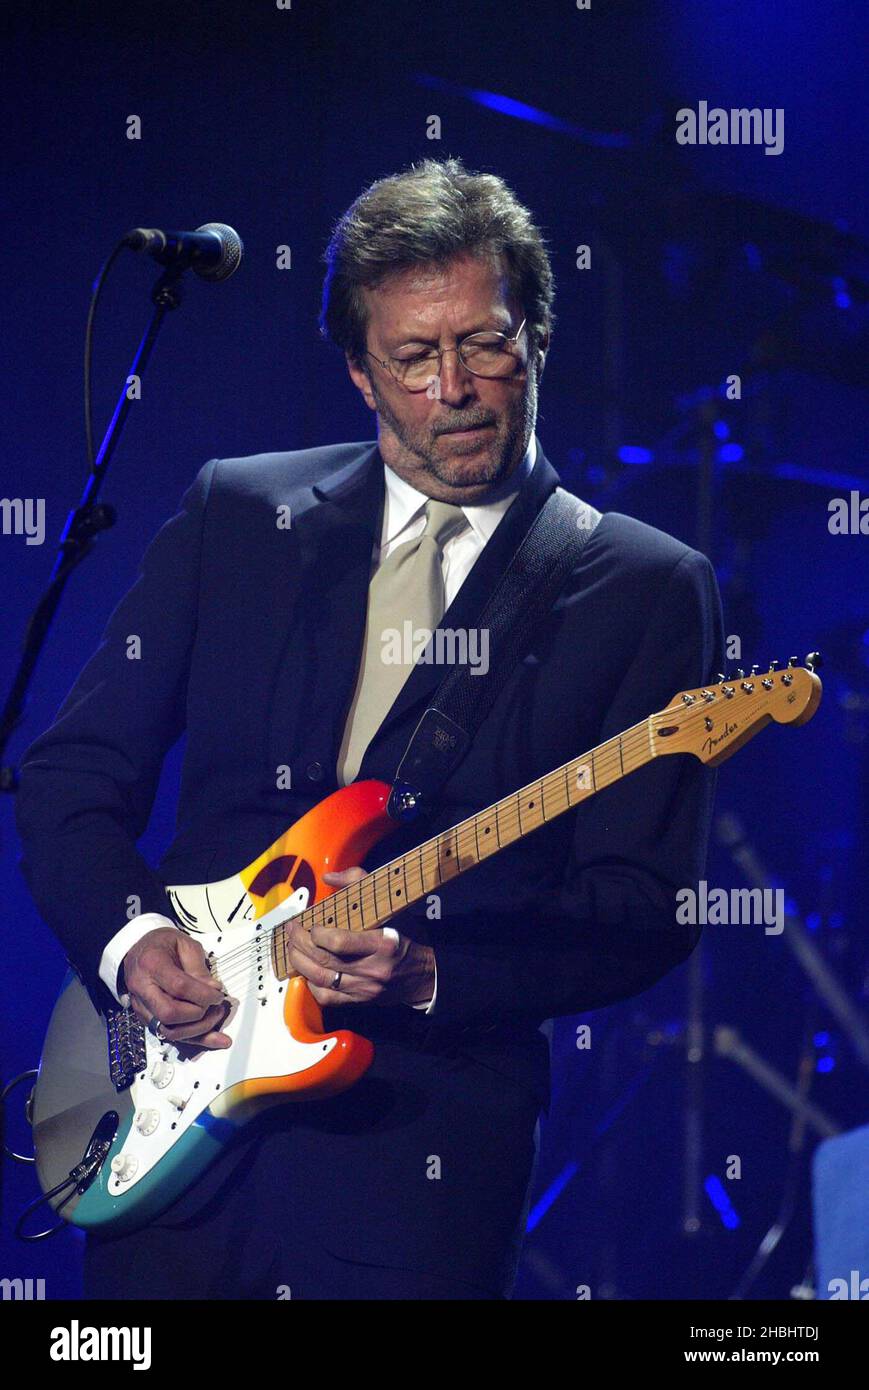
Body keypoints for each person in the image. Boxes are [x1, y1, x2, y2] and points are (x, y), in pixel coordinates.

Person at [15, 157, 724, 1300]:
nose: (454, 387)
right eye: (412, 356)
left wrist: (429, 974)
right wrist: (133, 942)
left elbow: (644, 910)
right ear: (359, 373)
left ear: (534, 339)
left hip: (413, 1166)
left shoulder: (642, 584)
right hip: (168, 1126)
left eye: (484, 345)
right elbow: (72, 775)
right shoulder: (241, 511)